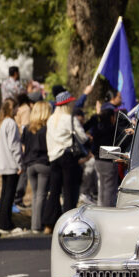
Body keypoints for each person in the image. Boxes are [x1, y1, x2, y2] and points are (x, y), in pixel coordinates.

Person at [43, 91, 90, 227]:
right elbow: (82, 137)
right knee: (69, 191)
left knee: (54, 191)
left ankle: (49, 223)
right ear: (67, 104)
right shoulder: (69, 118)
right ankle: (68, 223)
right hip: (68, 157)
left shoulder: (51, 119)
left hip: (54, 157)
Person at [0, 99, 24, 235]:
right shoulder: (11, 123)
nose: (18, 110)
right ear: (12, 109)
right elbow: (15, 146)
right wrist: (20, 163)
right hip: (11, 164)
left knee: (4, 194)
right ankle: (6, 224)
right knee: (9, 195)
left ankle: (2, 222)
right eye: (16, 108)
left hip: (2, 163)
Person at [21, 101, 51, 233]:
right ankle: (38, 224)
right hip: (43, 163)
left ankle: (34, 224)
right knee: (42, 195)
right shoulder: (46, 129)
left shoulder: (27, 129)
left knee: (34, 195)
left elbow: (23, 147)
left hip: (30, 164)